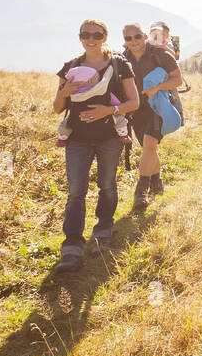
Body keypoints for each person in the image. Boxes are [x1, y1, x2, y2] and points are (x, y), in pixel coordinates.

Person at [52, 19, 139, 273]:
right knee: (76, 192)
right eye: (86, 34)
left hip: (109, 137)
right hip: (77, 139)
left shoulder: (119, 64)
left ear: (105, 36)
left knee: (107, 186)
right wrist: (64, 91)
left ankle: (103, 233)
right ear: (80, 37)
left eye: (97, 34)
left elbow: (133, 102)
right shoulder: (71, 67)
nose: (91, 38)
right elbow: (57, 108)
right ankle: (72, 247)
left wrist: (108, 110)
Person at [122, 21, 183, 209]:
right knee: (149, 148)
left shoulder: (161, 55)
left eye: (137, 36)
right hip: (135, 109)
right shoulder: (122, 58)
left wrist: (156, 88)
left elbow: (177, 80)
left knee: (149, 143)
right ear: (125, 41)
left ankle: (141, 190)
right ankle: (157, 182)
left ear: (145, 36)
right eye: (128, 38)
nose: (134, 41)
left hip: (158, 105)